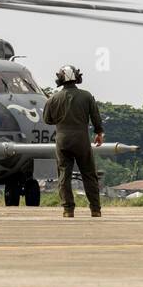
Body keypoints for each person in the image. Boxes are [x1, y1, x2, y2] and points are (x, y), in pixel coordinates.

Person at [41, 65, 104, 218]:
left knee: (64, 175)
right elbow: (96, 117)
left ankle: (68, 209)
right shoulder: (87, 96)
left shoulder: (53, 98)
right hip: (82, 140)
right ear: (77, 77)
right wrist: (99, 133)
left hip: (62, 140)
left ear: (60, 79)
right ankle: (95, 209)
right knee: (89, 174)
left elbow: (47, 120)